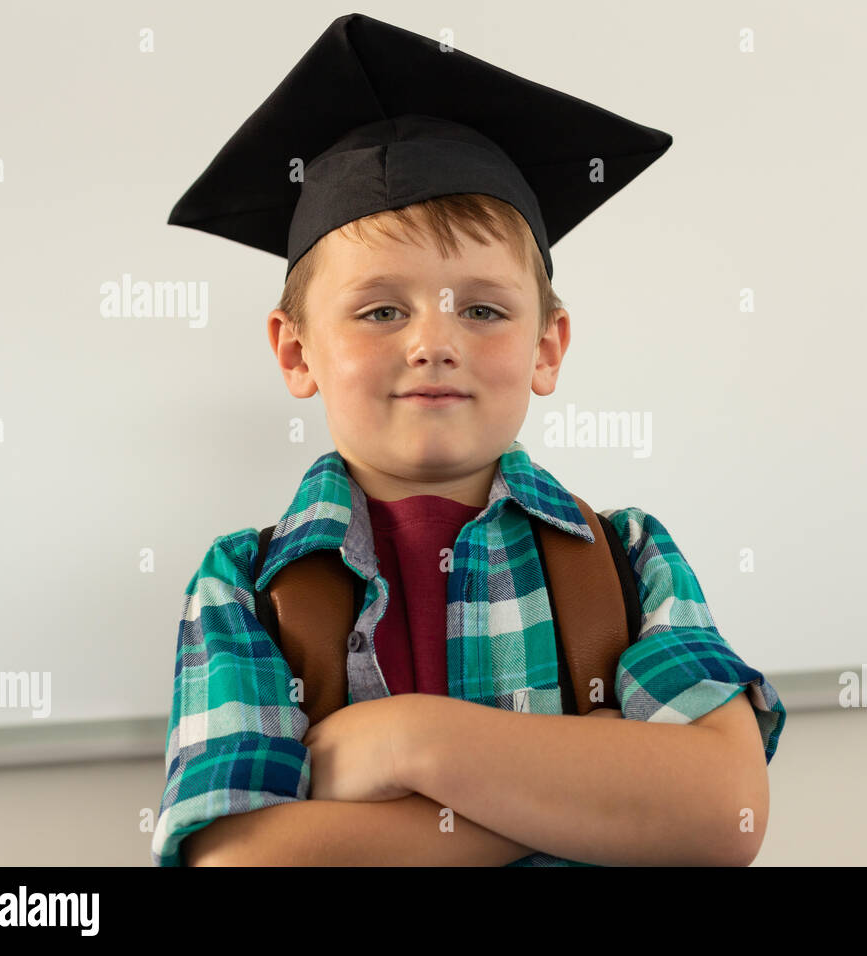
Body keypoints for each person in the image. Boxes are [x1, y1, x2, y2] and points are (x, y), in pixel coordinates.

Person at [150, 13, 785, 868]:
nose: (433, 343)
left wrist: (406, 742)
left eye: (482, 309)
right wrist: (591, 798)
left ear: (546, 348)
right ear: (297, 352)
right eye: (380, 310)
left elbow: (722, 815)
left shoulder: (628, 560)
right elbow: (237, 860)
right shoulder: (246, 588)